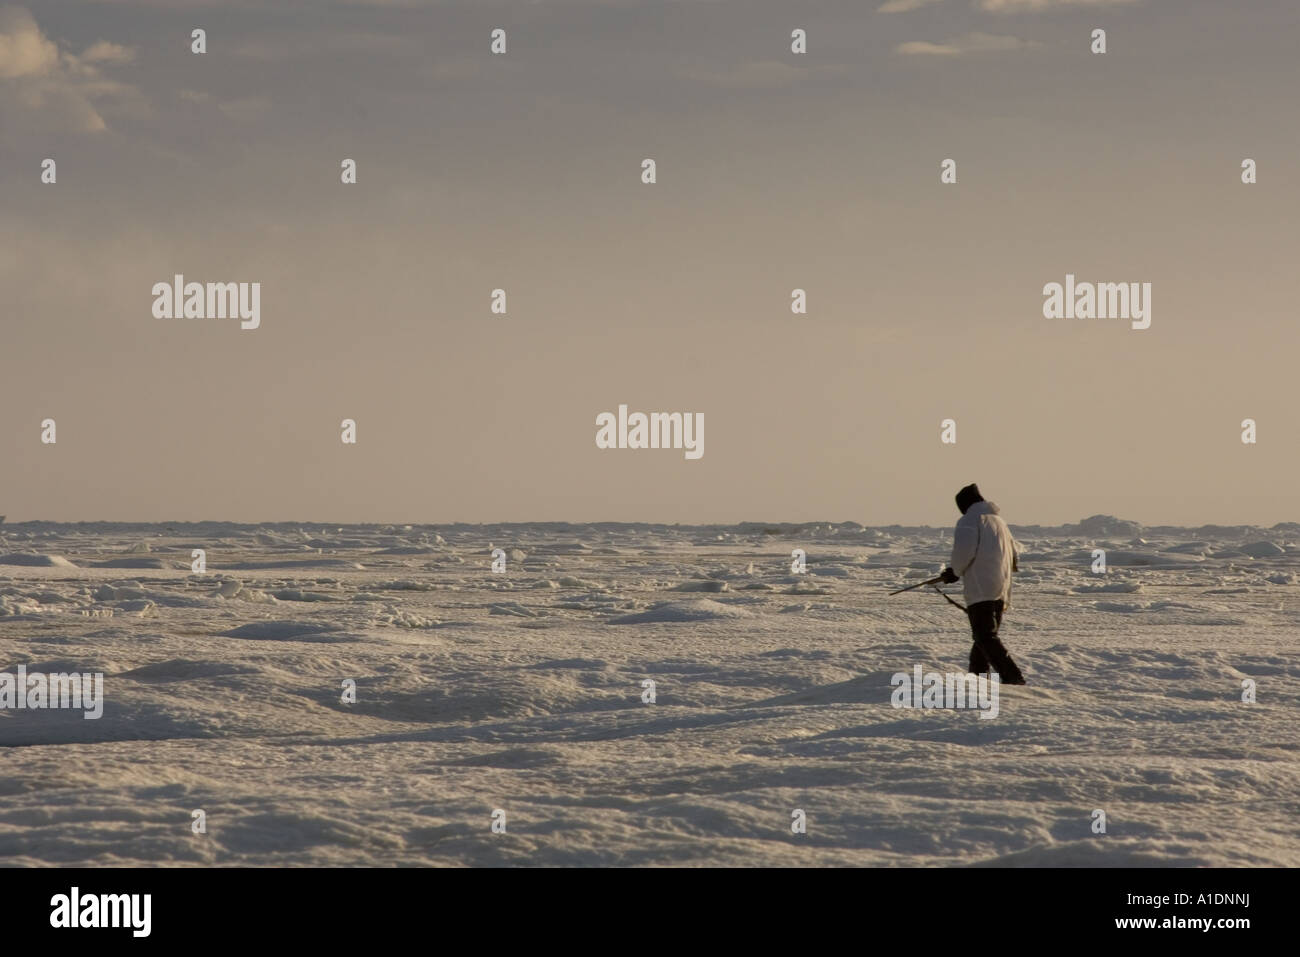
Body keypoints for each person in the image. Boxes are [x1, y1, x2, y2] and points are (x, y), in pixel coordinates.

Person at [939, 483, 1026, 685]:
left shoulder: (969, 520)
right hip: (1001, 587)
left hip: (981, 587)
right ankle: (977, 678)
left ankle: (1013, 677)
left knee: (985, 636)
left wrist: (955, 571)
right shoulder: (999, 522)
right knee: (983, 637)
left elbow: (964, 552)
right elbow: (1014, 555)